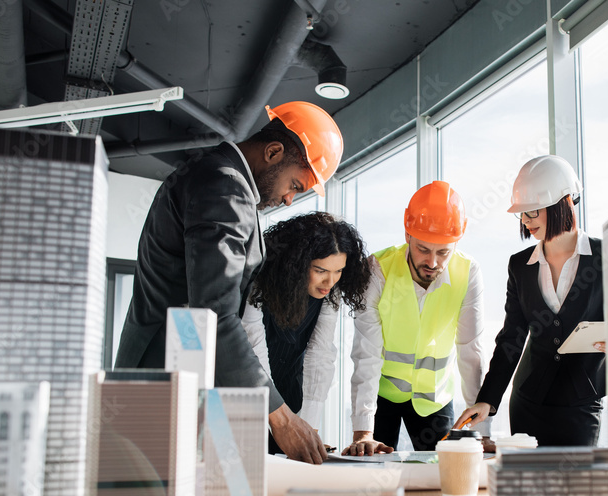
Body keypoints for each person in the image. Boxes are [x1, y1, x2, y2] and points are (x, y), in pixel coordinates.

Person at [115, 101, 343, 464]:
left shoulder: (217, 178)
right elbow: (214, 313)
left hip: (182, 378)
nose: (288, 198)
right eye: (295, 185)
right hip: (165, 380)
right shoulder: (224, 187)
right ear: (273, 152)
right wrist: (281, 418)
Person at [453, 155, 606, 448]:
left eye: (532, 212)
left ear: (561, 203)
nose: (525, 221)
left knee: (575, 490)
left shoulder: (605, 257)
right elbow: (512, 338)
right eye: (522, 214)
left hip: (581, 404)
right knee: (528, 491)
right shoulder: (520, 266)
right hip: (528, 403)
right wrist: (487, 400)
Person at [345, 181, 488, 454]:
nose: (433, 262)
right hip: (381, 395)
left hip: (434, 398)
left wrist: (481, 431)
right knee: (373, 469)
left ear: (456, 242)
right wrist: (363, 431)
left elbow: (471, 350)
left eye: (443, 251)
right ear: (408, 235)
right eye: (424, 249)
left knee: (445, 472)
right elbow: (367, 353)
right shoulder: (377, 270)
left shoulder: (468, 274)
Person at [241, 211, 370, 455]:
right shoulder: (259, 282)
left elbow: (319, 355)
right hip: (247, 393)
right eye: (320, 270)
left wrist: (309, 428)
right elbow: (253, 346)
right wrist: (279, 421)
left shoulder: (331, 293)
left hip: (291, 393)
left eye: (339, 271)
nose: (330, 281)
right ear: (297, 264)